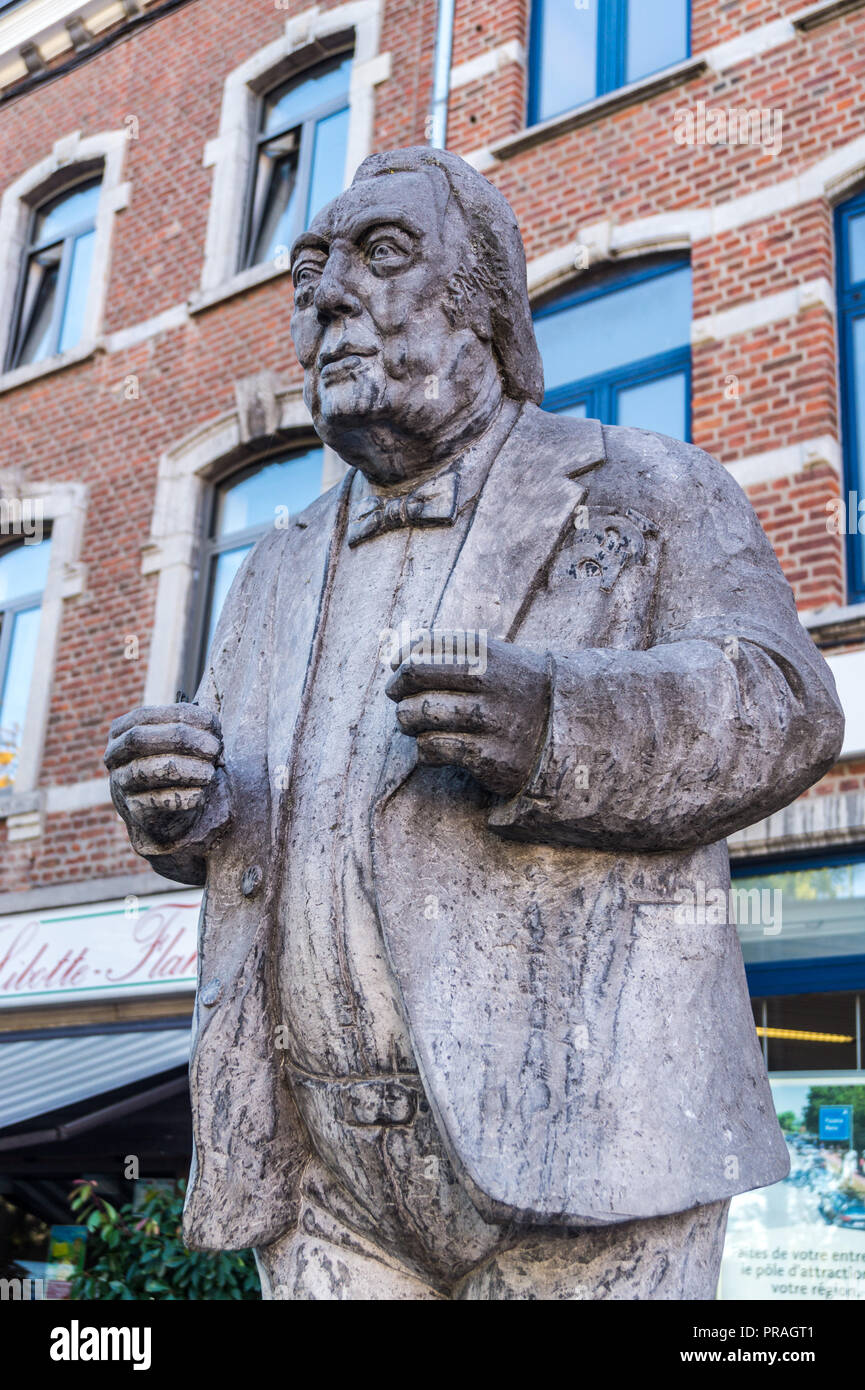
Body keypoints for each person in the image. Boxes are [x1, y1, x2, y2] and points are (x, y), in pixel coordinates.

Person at [105, 147, 844, 1300]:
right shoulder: (273, 567)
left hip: (594, 1160)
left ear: (484, 301)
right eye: (309, 270)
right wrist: (182, 807)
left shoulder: (645, 486)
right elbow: (235, 822)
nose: (327, 294)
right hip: (324, 1186)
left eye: (380, 254)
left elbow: (785, 704)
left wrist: (556, 721)